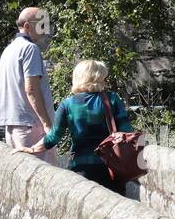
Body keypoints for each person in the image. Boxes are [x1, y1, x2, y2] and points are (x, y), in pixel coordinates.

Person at [17, 59, 134, 195]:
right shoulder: (112, 99)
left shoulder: (68, 104)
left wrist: (31, 149)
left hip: (81, 168)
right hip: (111, 168)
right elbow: (127, 131)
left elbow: (54, 136)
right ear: (98, 77)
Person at [0, 6, 57, 165]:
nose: (45, 30)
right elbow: (31, 89)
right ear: (28, 26)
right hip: (32, 126)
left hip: (12, 126)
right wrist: (47, 125)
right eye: (42, 25)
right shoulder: (30, 49)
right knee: (45, 179)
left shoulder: (8, 50)